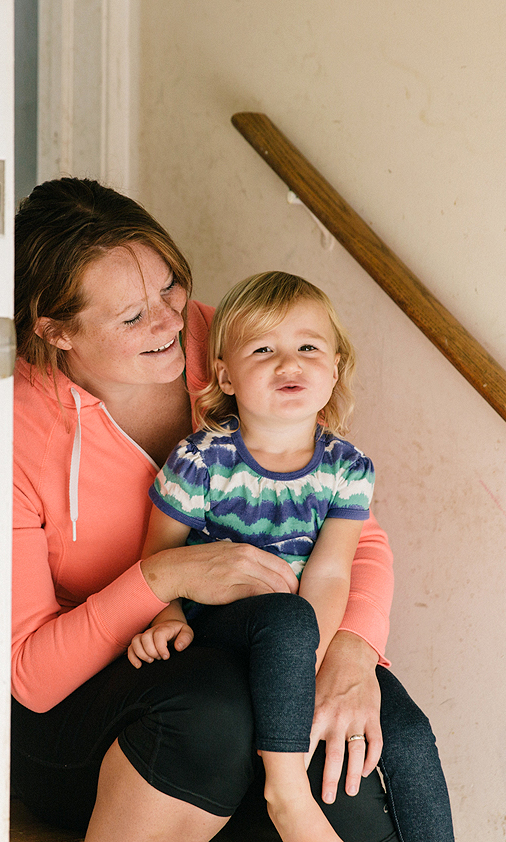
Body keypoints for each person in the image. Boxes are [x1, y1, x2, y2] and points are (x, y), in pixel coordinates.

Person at [10, 176, 455, 842]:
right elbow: (33, 678)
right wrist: (169, 577)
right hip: (90, 717)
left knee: (352, 771)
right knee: (209, 705)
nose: (169, 324)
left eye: (169, 288)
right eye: (131, 316)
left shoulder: (233, 346)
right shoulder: (10, 426)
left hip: (261, 659)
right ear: (56, 329)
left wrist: (354, 655)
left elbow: (355, 537)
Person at [127, 272, 375, 842]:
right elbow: (159, 557)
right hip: (221, 626)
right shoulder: (201, 459)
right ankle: (287, 795)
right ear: (226, 376)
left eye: (308, 348)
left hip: (295, 635)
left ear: (334, 367)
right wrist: (164, 618)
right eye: (264, 350)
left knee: (406, 733)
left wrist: (309, 667)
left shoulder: (348, 467)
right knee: (288, 619)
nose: (289, 364)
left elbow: (333, 571)